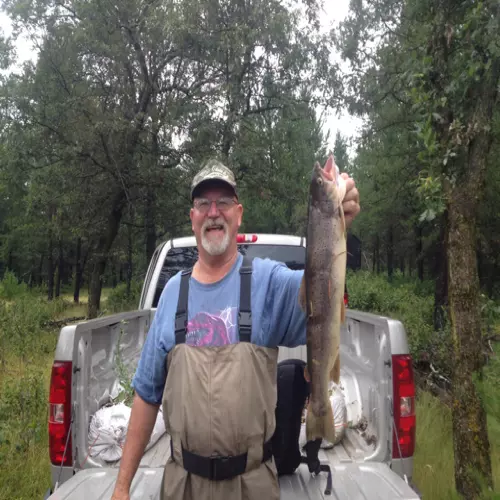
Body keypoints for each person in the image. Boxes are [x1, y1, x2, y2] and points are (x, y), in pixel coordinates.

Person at [111, 157, 360, 500]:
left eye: (224, 202)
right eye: (203, 203)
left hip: (252, 486)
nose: (214, 211)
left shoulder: (268, 282)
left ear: (238, 213)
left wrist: (335, 225)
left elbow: (323, 289)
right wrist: (122, 487)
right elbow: (146, 395)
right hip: (183, 486)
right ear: (193, 217)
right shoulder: (171, 294)